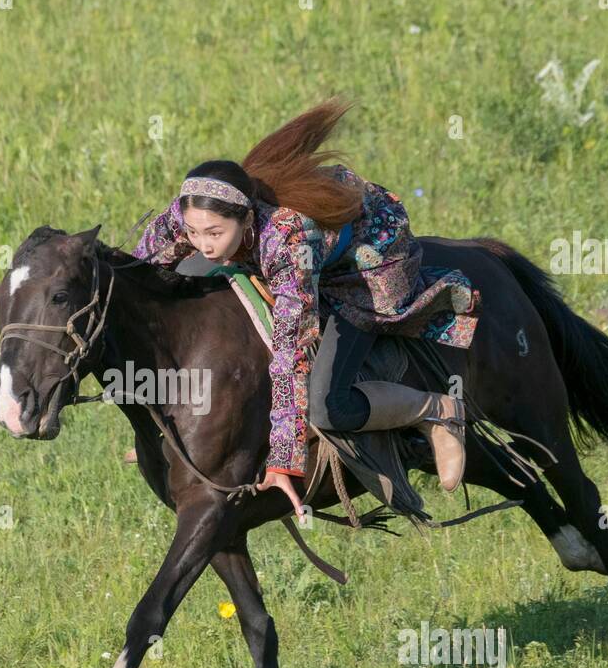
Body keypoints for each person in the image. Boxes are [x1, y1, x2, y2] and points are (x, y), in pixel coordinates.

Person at [129, 97, 480, 518]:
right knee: (188, 272)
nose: (203, 243)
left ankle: (436, 411)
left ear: (246, 220)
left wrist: (283, 462)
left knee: (326, 404)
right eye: (194, 231)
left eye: (215, 233)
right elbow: (139, 278)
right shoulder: (191, 215)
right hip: (293, 256)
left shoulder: (286, 241)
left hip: (368, 256)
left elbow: (290, 355)